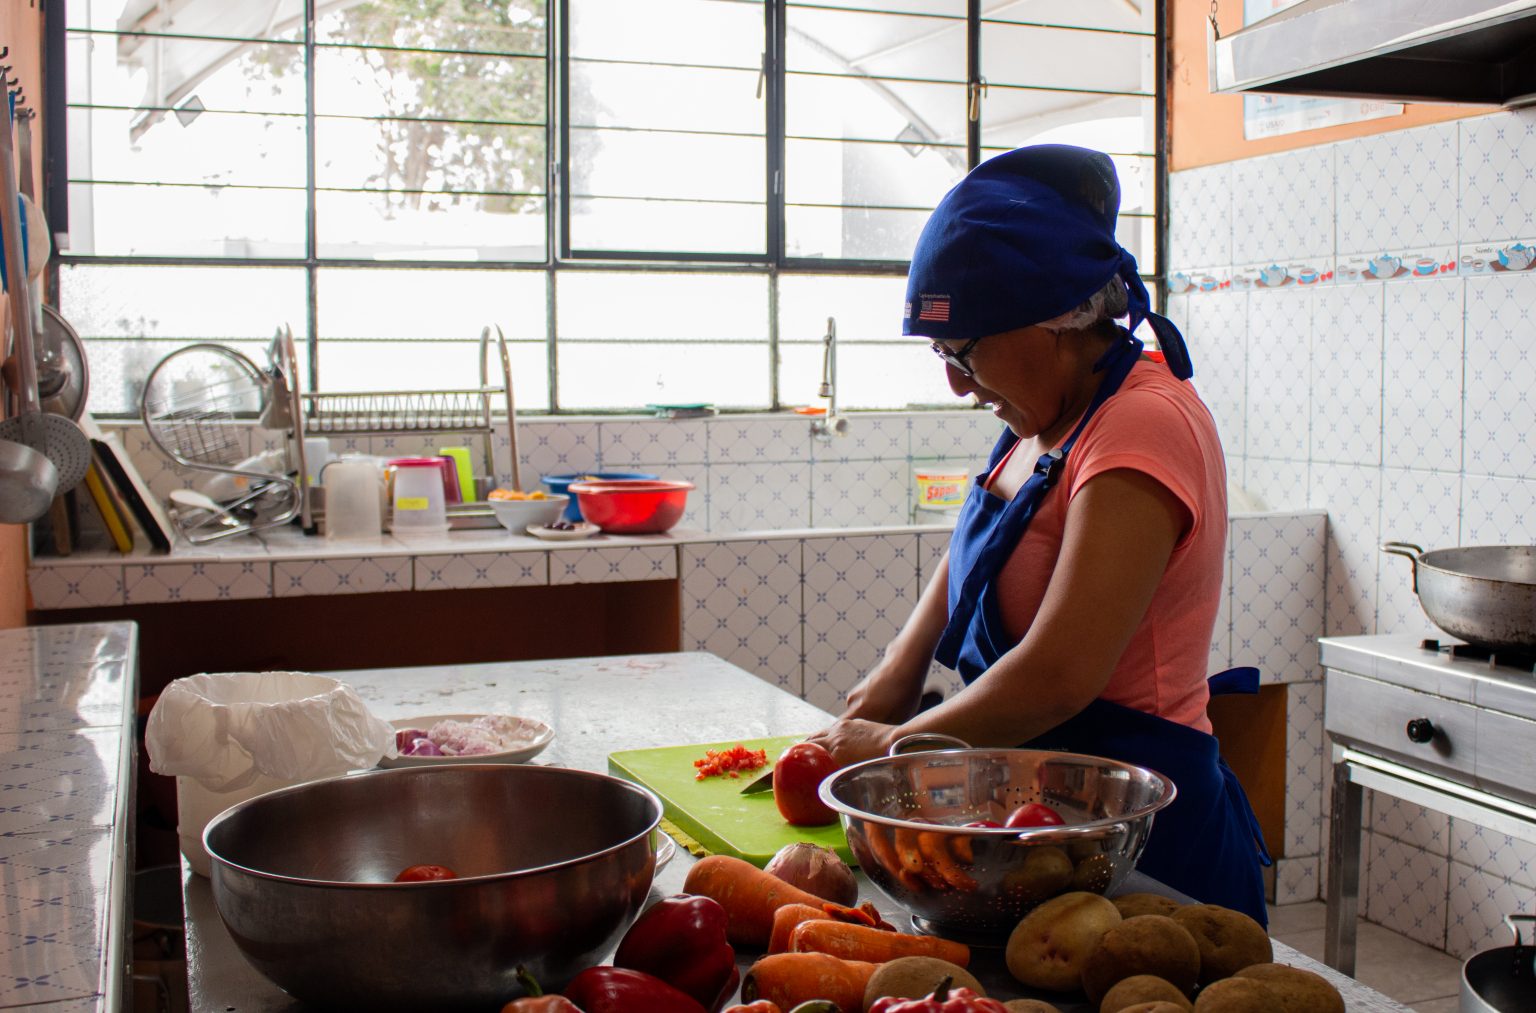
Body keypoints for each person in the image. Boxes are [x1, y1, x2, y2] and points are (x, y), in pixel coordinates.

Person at [804, 144, 1270, 923]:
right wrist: (886, 682)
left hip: (1141, 844)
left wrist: (896, 752)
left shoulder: (1140, 425)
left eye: (966, 350)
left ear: (1055, 319)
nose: (954, 381)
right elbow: (966, 567)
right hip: (1034, 827)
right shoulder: (1039, 417)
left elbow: (1060, 673)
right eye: (939, 353)